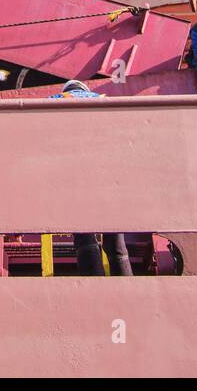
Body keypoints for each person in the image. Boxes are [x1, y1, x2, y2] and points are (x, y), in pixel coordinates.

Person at [47, 81, 132, 275]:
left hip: (75, 176)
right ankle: (127, 285)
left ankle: (94, 283)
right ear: (86, 90)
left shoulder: (54, 100)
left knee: (85, 237)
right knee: (116, 240)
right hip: (108, 175)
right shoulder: (103, 99)